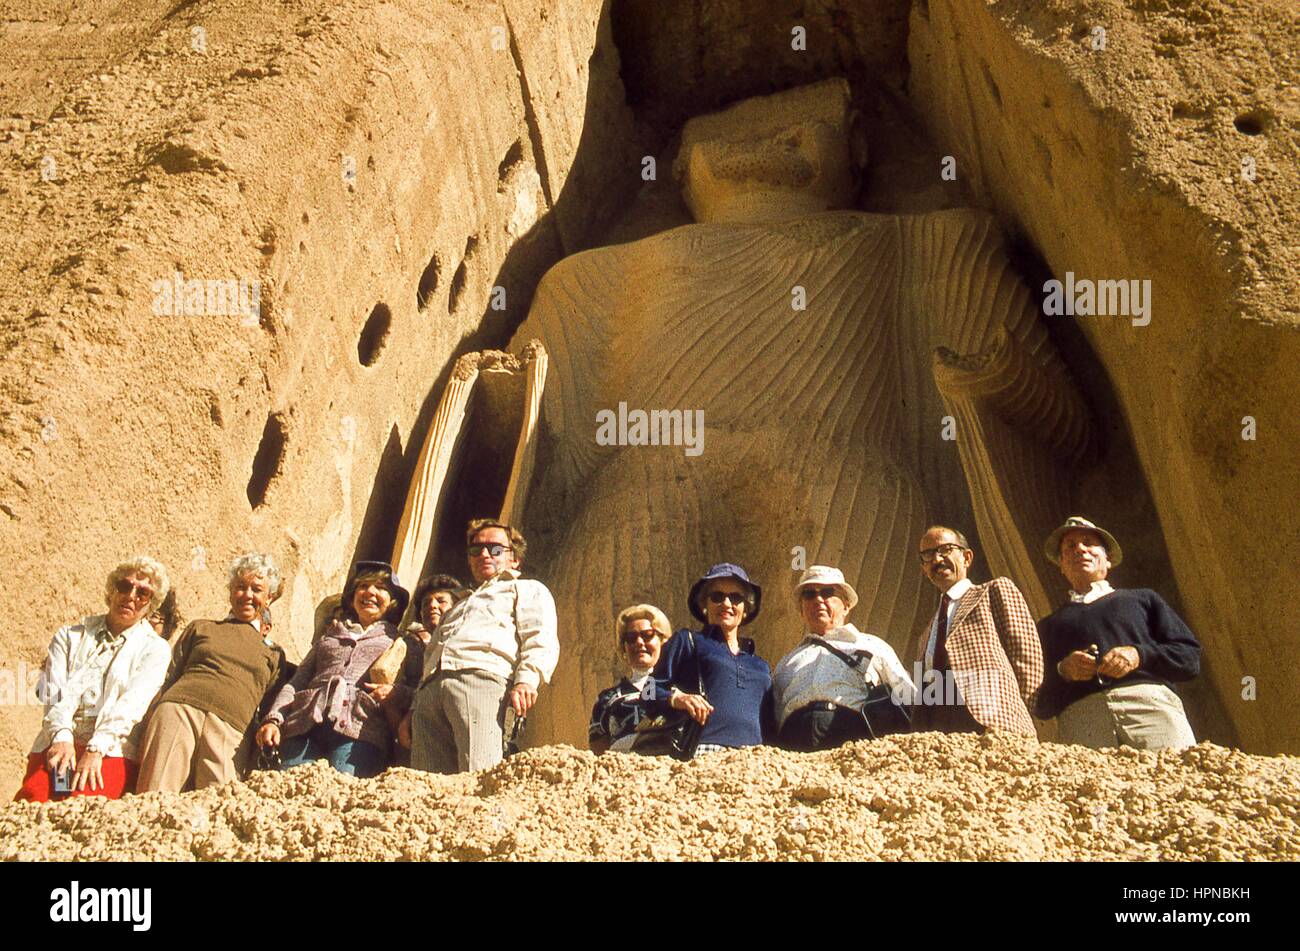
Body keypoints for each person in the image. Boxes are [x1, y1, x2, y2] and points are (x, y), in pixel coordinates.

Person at [405, 519, 559, 773]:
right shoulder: (457, 605)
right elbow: (431, 653)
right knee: (429, 784)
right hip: (431, 691)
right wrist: (413, 707)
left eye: (495, 549)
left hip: (481, 679)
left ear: (514, 559)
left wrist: (527, 680)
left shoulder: (526, 589)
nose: (485, 555)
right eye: (476, 550)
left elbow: (539, 635)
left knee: (480, 772)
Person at [14, 557, 172, 802]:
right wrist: (62, 738)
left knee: (85, 803)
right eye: (124, 586)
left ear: (150, 604)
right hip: (59, 743)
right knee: (36, 798)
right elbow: (55, 693)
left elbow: (131, 705)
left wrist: (96, 748)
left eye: (142, 593)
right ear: (112, 589)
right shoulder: (69, 636)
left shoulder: (155, 650)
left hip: (109, 752)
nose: (130, 596)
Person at [1036, 516, 1200, 750]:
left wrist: (1139, 655)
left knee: (1176, 780)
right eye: (1070, 546)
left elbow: (1190, 657)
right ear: (1061, 564)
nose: (1080, 549)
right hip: (1083, 722)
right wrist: (1064, 670)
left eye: (1088, 542)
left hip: (1150, 708)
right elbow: (1040, 703)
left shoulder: (1143, 599)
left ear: (1108, 559)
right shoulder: (1047, 627)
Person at [135, 553, 286, 792]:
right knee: (156, 792)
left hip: (232, 726)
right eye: (240, 587)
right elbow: (169, 676)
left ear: (269, 597)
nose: (247, 595)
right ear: (230, 592)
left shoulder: (275, 654)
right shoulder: (201, 627)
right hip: (178, 710)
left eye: (256, 589)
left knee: (220, 804)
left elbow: (270, 703)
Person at [255, 561, 409, 777]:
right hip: (304, 725)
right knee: (290, 789)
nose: (370, 592)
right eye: (363, 586)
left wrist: (395, 692)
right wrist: (273, 719)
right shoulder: (329, 637)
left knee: (343, 792)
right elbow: (297, 681)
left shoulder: (398, 642)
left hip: (360, 734)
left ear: (392, 602)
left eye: (381, 588)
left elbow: (413, 688)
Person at [909, 526, 1042, 735]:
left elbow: (1027, 656)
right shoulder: (928, 631)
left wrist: (1013, 711)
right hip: (938, 722)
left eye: (945, 550)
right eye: (928, 555)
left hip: (990, 718)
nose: (936, 559)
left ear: (967, 558)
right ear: (924, 568)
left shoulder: (992, 591)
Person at [772, 566, 915, 751]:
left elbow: (909, 698)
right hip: (794, 741)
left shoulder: (873, 646)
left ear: (846, 605)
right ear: (801, 609)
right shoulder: (786, 662)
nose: (818, 600)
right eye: (809, 594)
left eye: (827, 592)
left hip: (852, 738)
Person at [650, 563, 774, 755]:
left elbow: (769, 723)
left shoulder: (760, 665)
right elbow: (648, 691)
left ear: (746, 608)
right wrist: (677, 698)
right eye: (717, 597)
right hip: (705, 750)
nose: (726, 604)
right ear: (704, 605)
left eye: (735, 598)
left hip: (755, 758)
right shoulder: (688, 641)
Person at [392, 574, 465, 761]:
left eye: (441, 601)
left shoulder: (464, 640)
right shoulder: (412, 645)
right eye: (426, 604)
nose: (432, 606)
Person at [588, 604, 674, 754]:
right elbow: (599, 753)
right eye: (631, 638)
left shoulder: (681, 689)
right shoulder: (607, 699)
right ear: (624, 648)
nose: (639, 642)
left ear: (663, 641)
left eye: (648, 635)